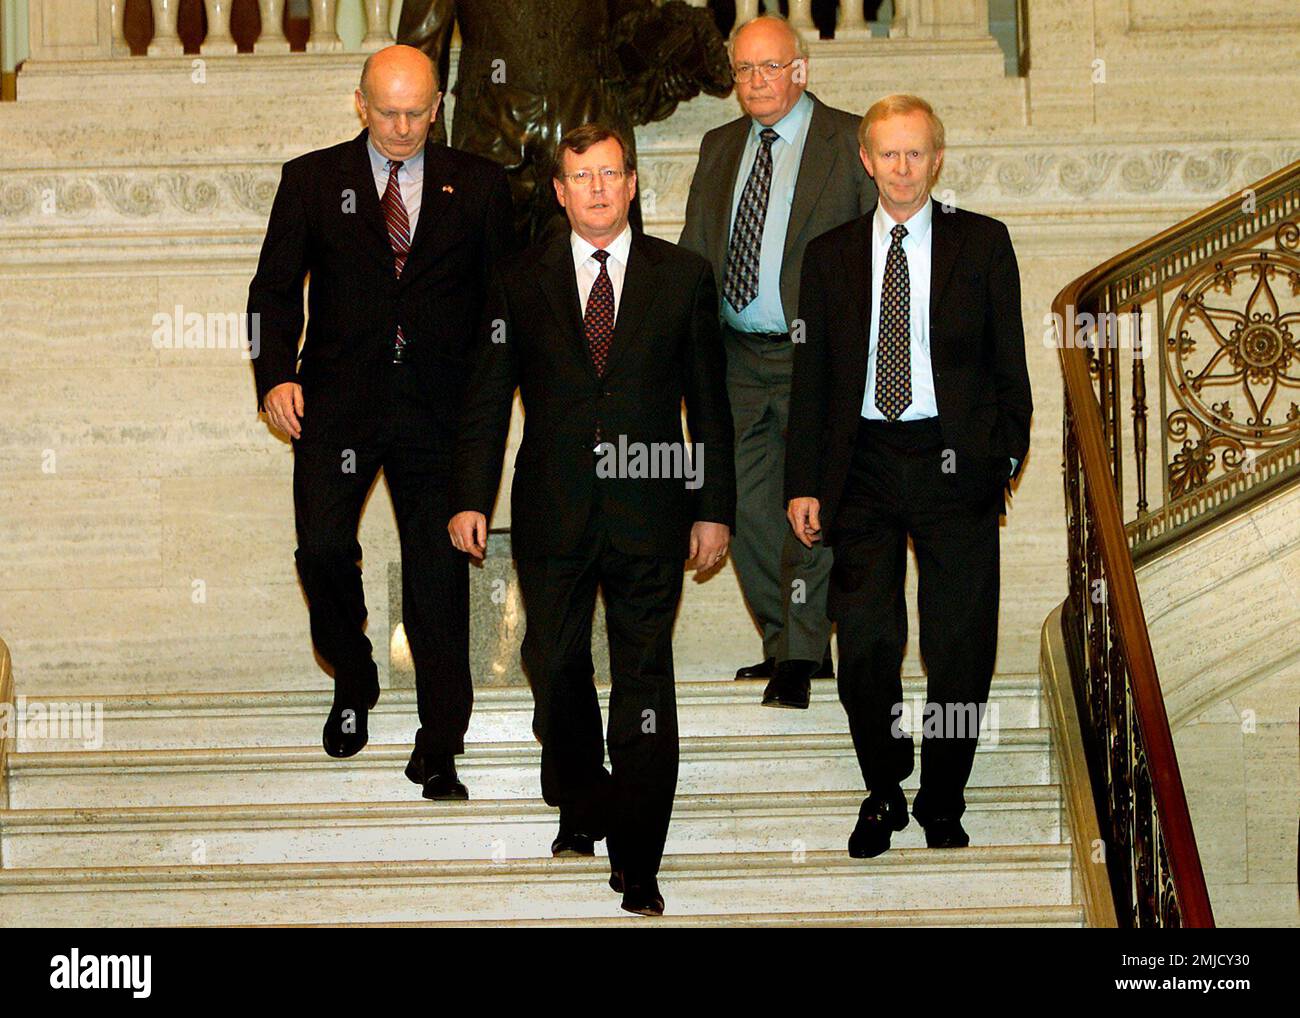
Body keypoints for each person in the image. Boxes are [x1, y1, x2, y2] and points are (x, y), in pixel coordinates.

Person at [449, 124, 735, 915]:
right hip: (554, 510)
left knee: (645, 681)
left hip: (652, 511)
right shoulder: (518, 279)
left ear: (634, 183)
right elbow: (486, 396)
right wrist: (471, 497)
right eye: (582, 177)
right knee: (554, 660)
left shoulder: (683, 277)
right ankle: (586, 797)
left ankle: (638, 861)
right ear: (561, 191)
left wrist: (714, 510)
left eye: (611, 173)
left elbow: (710, 407)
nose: (599, 189)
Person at [247, 45, 514, 799]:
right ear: (359, 104)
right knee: (323, 548)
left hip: (441, 411)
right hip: (336, 405)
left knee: (438, 577)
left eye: (417, 112)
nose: (402, 128)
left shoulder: (483, 187)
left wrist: (493, 399)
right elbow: (271, 291)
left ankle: (440, 744)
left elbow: (503, 307)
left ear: (438, 107)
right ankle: (354, 672)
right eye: (387, 111)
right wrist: (275, 379)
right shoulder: (311, 180)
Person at [785, 94, 1033, 858]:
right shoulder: (828, 257)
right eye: (887, 153)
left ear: (937, 158)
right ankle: (886, 787)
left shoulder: (983, 243)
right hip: (859, 466)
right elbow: (813, 380)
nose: (901, 167)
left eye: (915, 152)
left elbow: (1009, 370)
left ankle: (944, 795)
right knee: (864, 639)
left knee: (959, 644)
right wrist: (803, 482)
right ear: (866, 160)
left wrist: (1002, 458)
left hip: (952, 465)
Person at [679, 13, 876, 708]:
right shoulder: (719, 145)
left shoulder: (850, 141)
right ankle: (781, 641)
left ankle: (802, 650)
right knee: (747, 507)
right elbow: (694, 255)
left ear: (801, 69)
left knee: (810, 502)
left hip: (816, 359)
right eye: (743, 70)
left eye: (770, 67)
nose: (756, 82)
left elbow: (878, 251)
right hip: (735, 357)